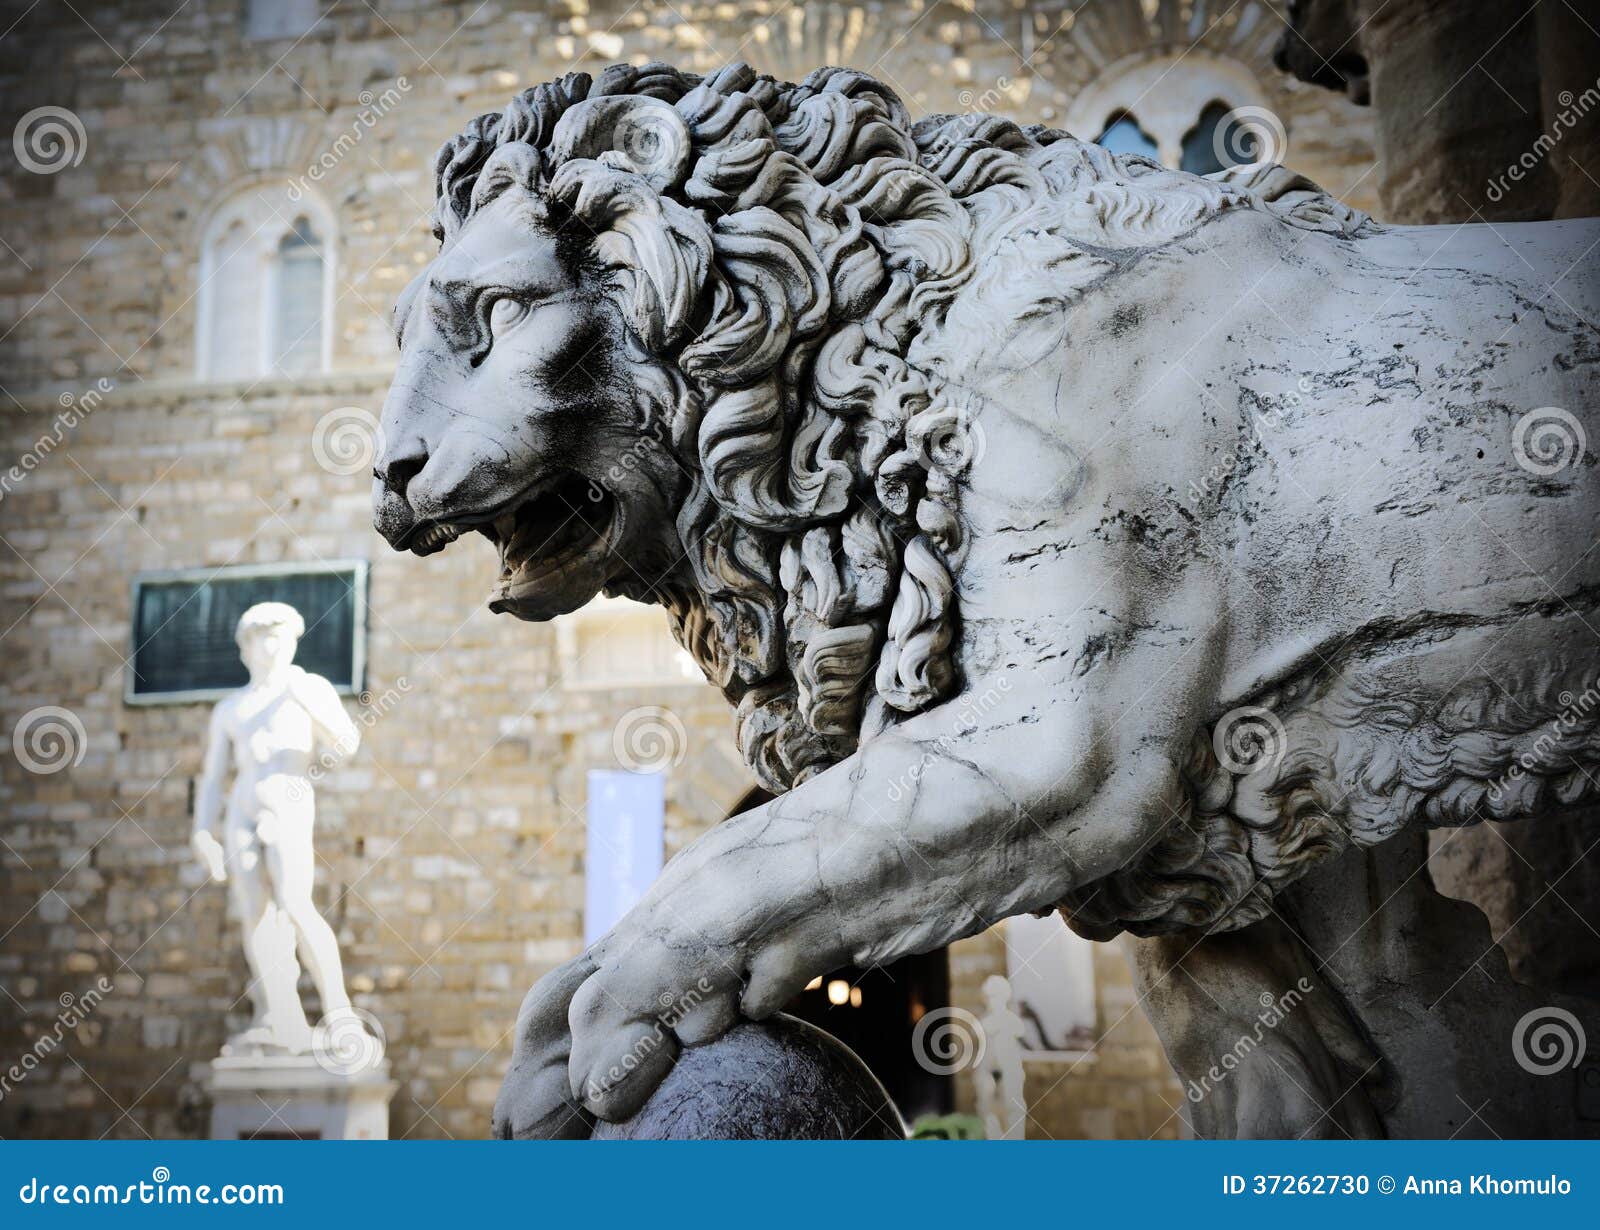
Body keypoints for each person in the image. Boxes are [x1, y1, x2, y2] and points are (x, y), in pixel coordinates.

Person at [191, 601, 363, 1054]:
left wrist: (308, 700)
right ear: (245, 648)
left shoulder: (307, 687)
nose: (271, 647)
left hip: (287, 797)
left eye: (280, 637)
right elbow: (212, 777)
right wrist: (202, 831)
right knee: (256, 913)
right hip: (242, 805)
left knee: (296, 903)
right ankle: (276, 1014)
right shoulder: (231, 707)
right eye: (262, 638)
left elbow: (346, 743)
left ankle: (340, 1013)